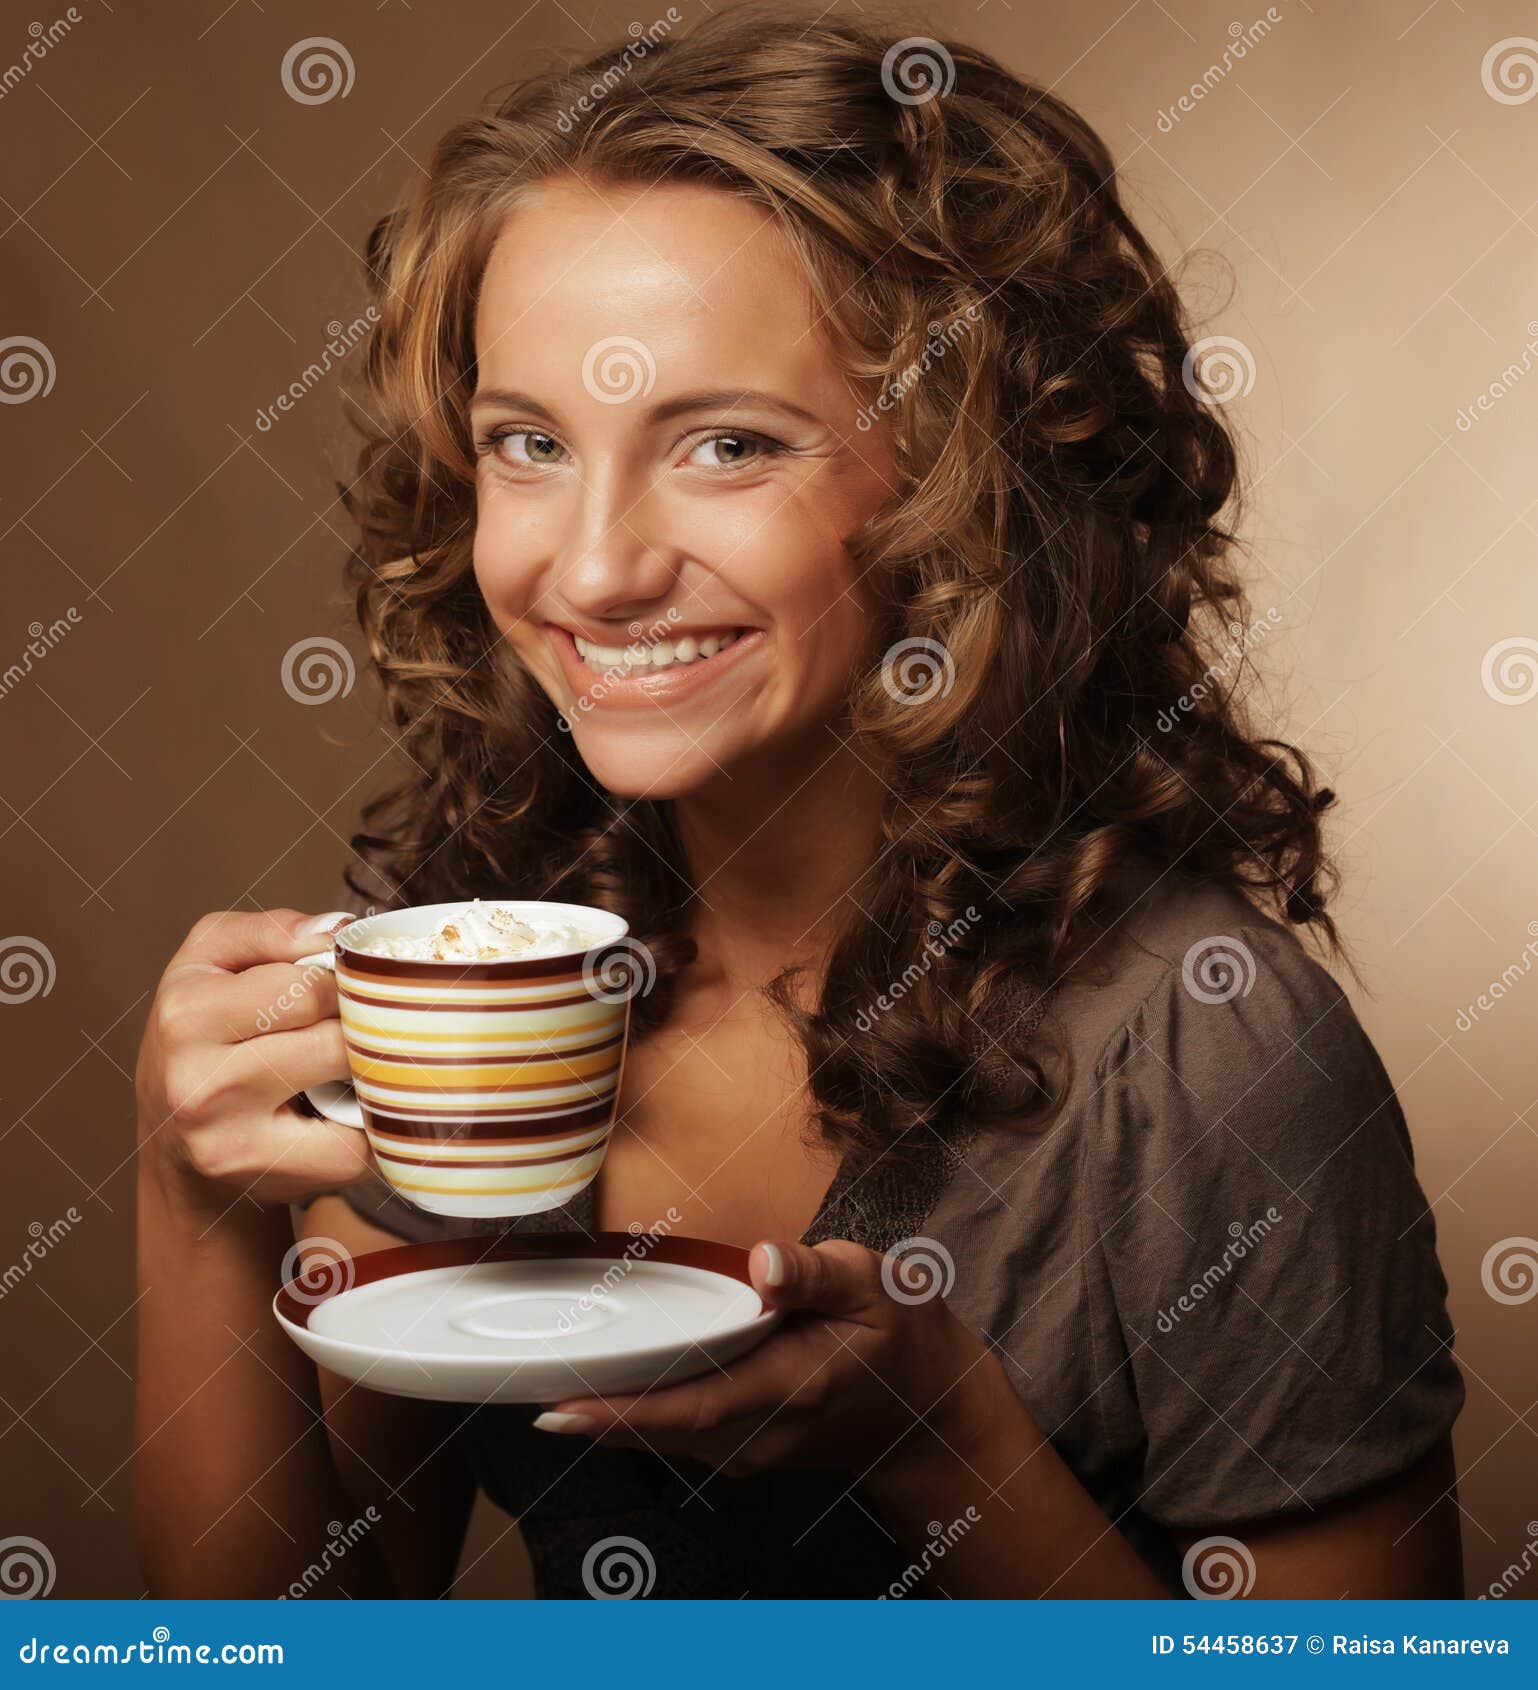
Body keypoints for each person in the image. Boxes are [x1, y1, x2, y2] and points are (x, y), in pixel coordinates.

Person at [133, 3, 1464, 1599]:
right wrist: (192, 1197)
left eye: (725, 443)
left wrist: (943, 1447)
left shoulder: (1201, 1045)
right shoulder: (480, 957)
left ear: (972, 474)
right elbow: (281, 1648)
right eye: (528, 443)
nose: (597, 566)